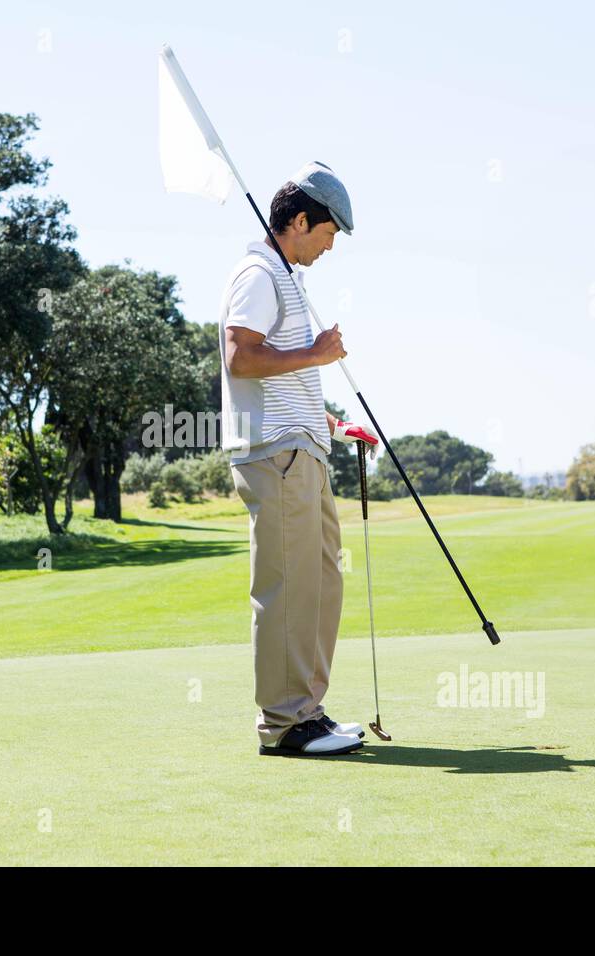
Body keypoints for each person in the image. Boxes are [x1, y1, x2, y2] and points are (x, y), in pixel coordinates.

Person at [217, 161, 379, 757]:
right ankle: (284, 724)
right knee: (287, 588)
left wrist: (333, 424)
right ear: (301, 220)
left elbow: (281, 377)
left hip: (304, 448)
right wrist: (314, 353)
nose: (330, 247)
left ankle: (307, 710)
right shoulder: (259, 273)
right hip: (277, 454)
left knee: (320, 583)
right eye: (329, 234)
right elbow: (241, 357)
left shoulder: (287, 278)